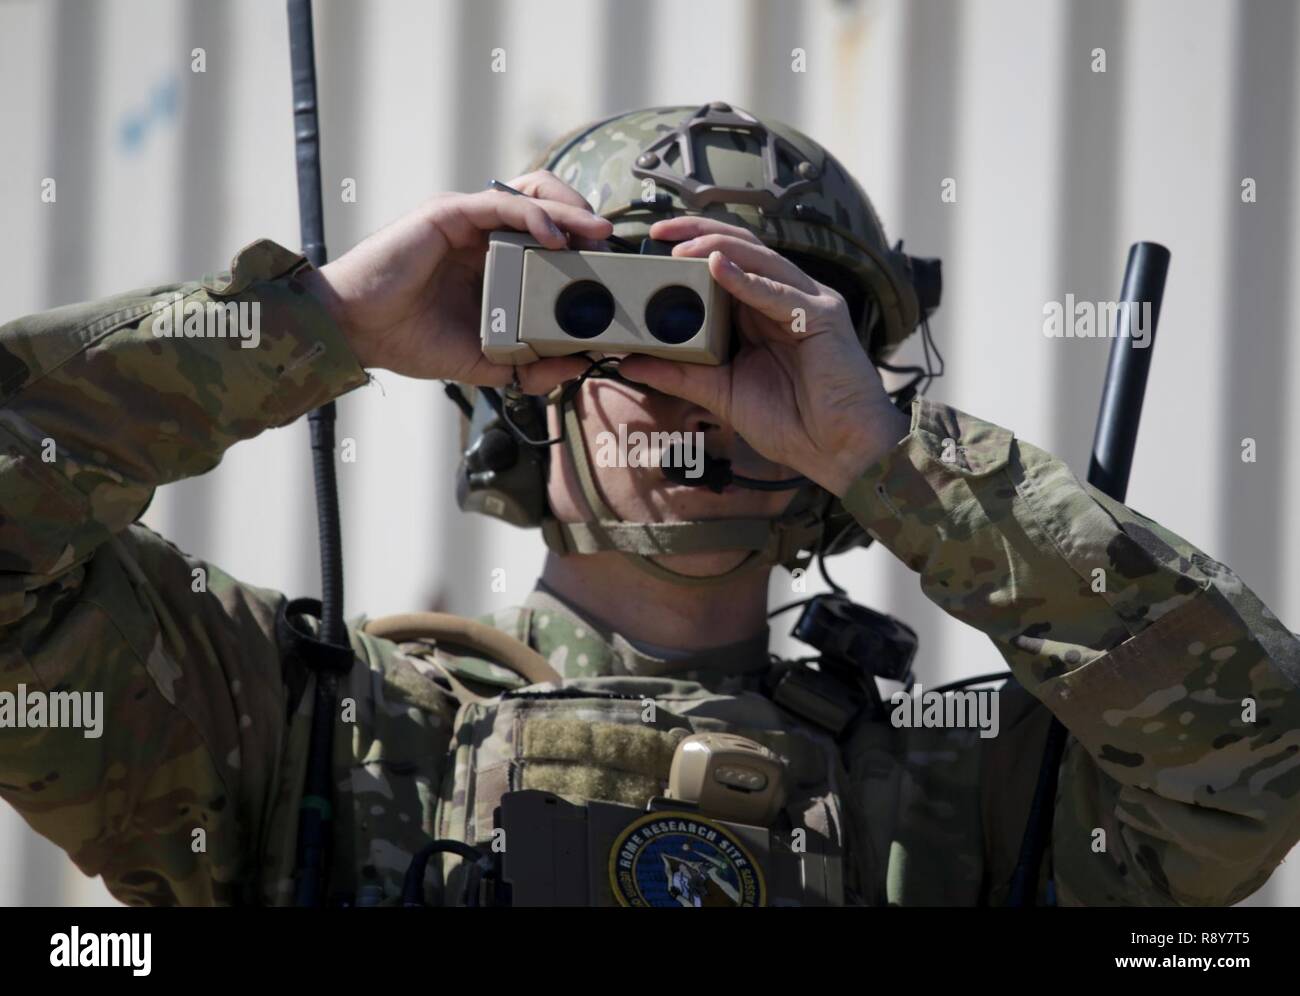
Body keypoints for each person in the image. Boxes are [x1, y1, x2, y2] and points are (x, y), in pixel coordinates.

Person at [1, 103, 1296, 907]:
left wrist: (899, 463)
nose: (689, 386)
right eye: (621, 316)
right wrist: (321, 324)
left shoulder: (974, 792)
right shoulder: (298, 733)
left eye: (747, 336)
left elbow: (1257, 756)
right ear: (520, 379)